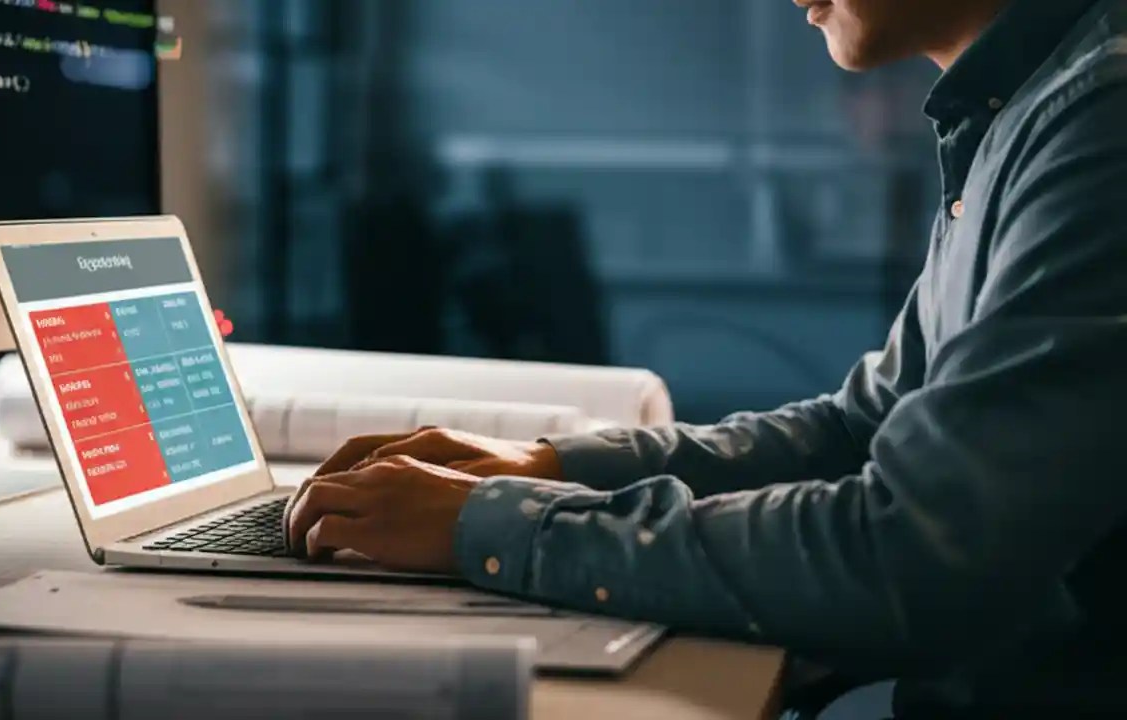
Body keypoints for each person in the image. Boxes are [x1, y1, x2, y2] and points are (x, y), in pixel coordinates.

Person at [286, 0, 1127, 715]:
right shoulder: (1019, 112)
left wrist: (497, 525)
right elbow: (858, 430)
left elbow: (915, 554)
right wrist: (549, 466)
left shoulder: (1100, 125)